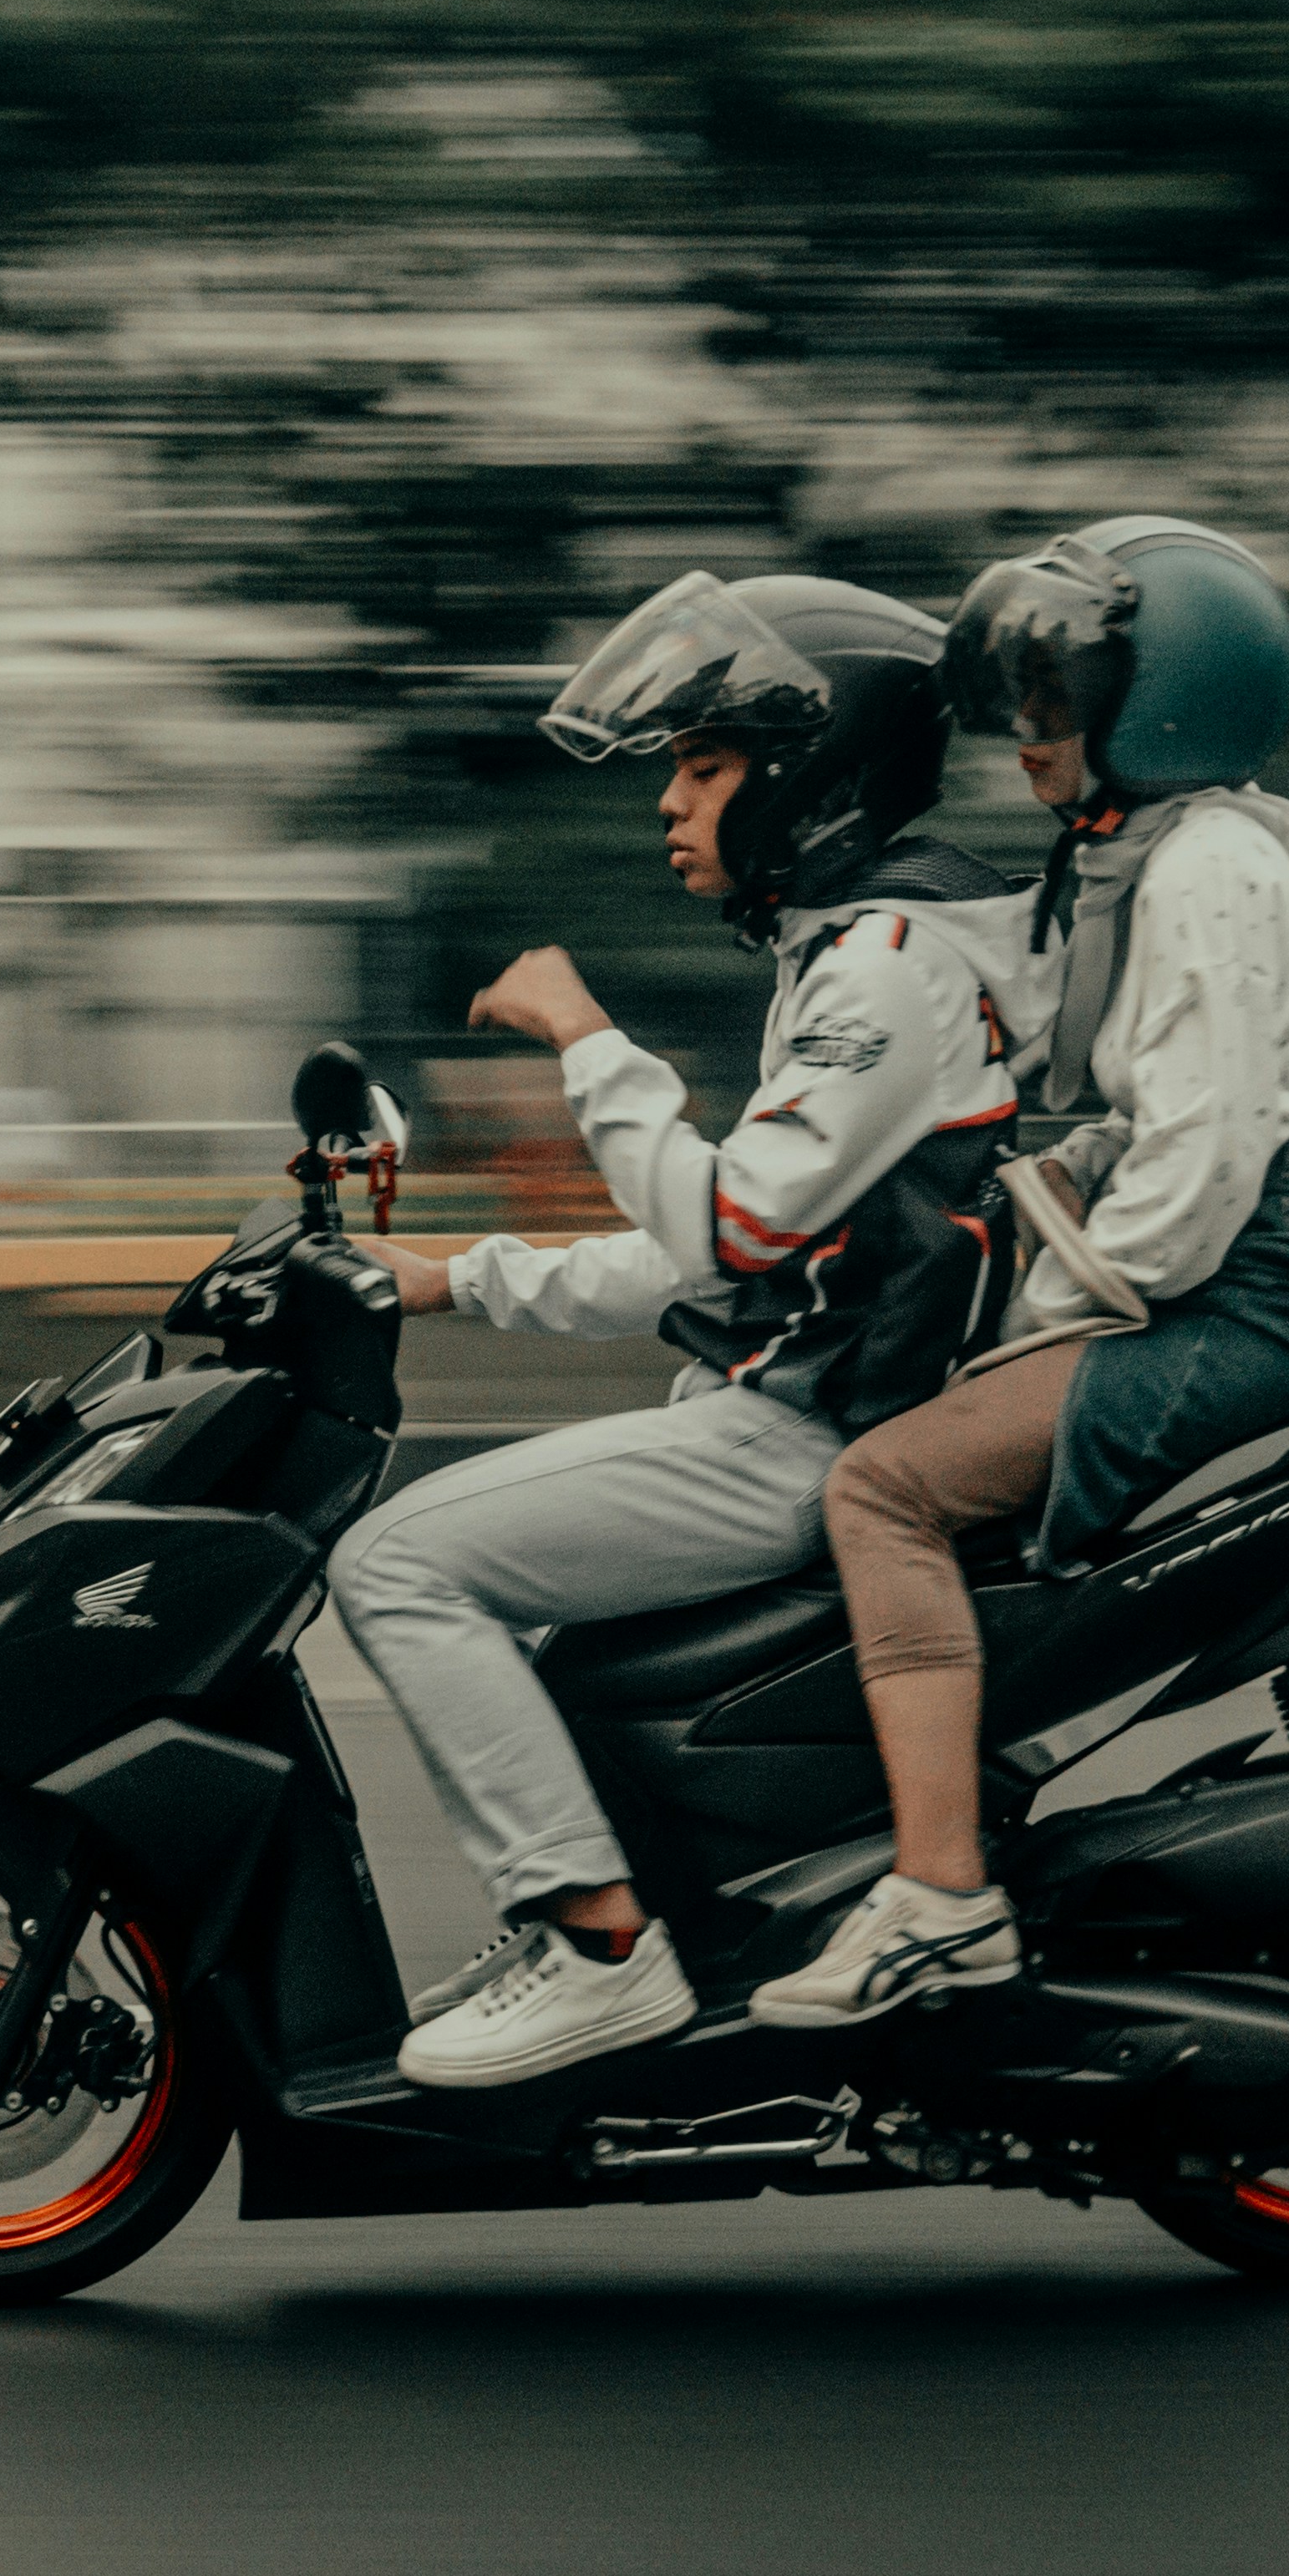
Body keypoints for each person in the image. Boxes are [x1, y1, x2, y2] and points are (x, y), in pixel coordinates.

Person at [335, 571, 1055, 2088]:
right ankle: (632, 1913)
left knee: (396, 1559)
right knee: (533, 1606)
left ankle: (601, 1947)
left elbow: (728, 1228)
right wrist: (452, 1276)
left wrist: (589, 1042)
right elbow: (732, 1267)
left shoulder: (886, 971)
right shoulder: (860, 951)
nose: (669, 802)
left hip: (814, 1435)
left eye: (706, 767)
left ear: (809, 775)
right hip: (792, 1395)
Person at [750, 518, 1289, 2031]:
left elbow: (1200, 1172)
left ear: (1165, 703)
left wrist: (1053, 1316)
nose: (1030, 734)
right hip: (1222, 1281)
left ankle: (940, 1902)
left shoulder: (1212, 874)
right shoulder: (1146, 859)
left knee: (884, 1489)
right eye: (1029, 697)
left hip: (1257, 1302)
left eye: (1064, 699)